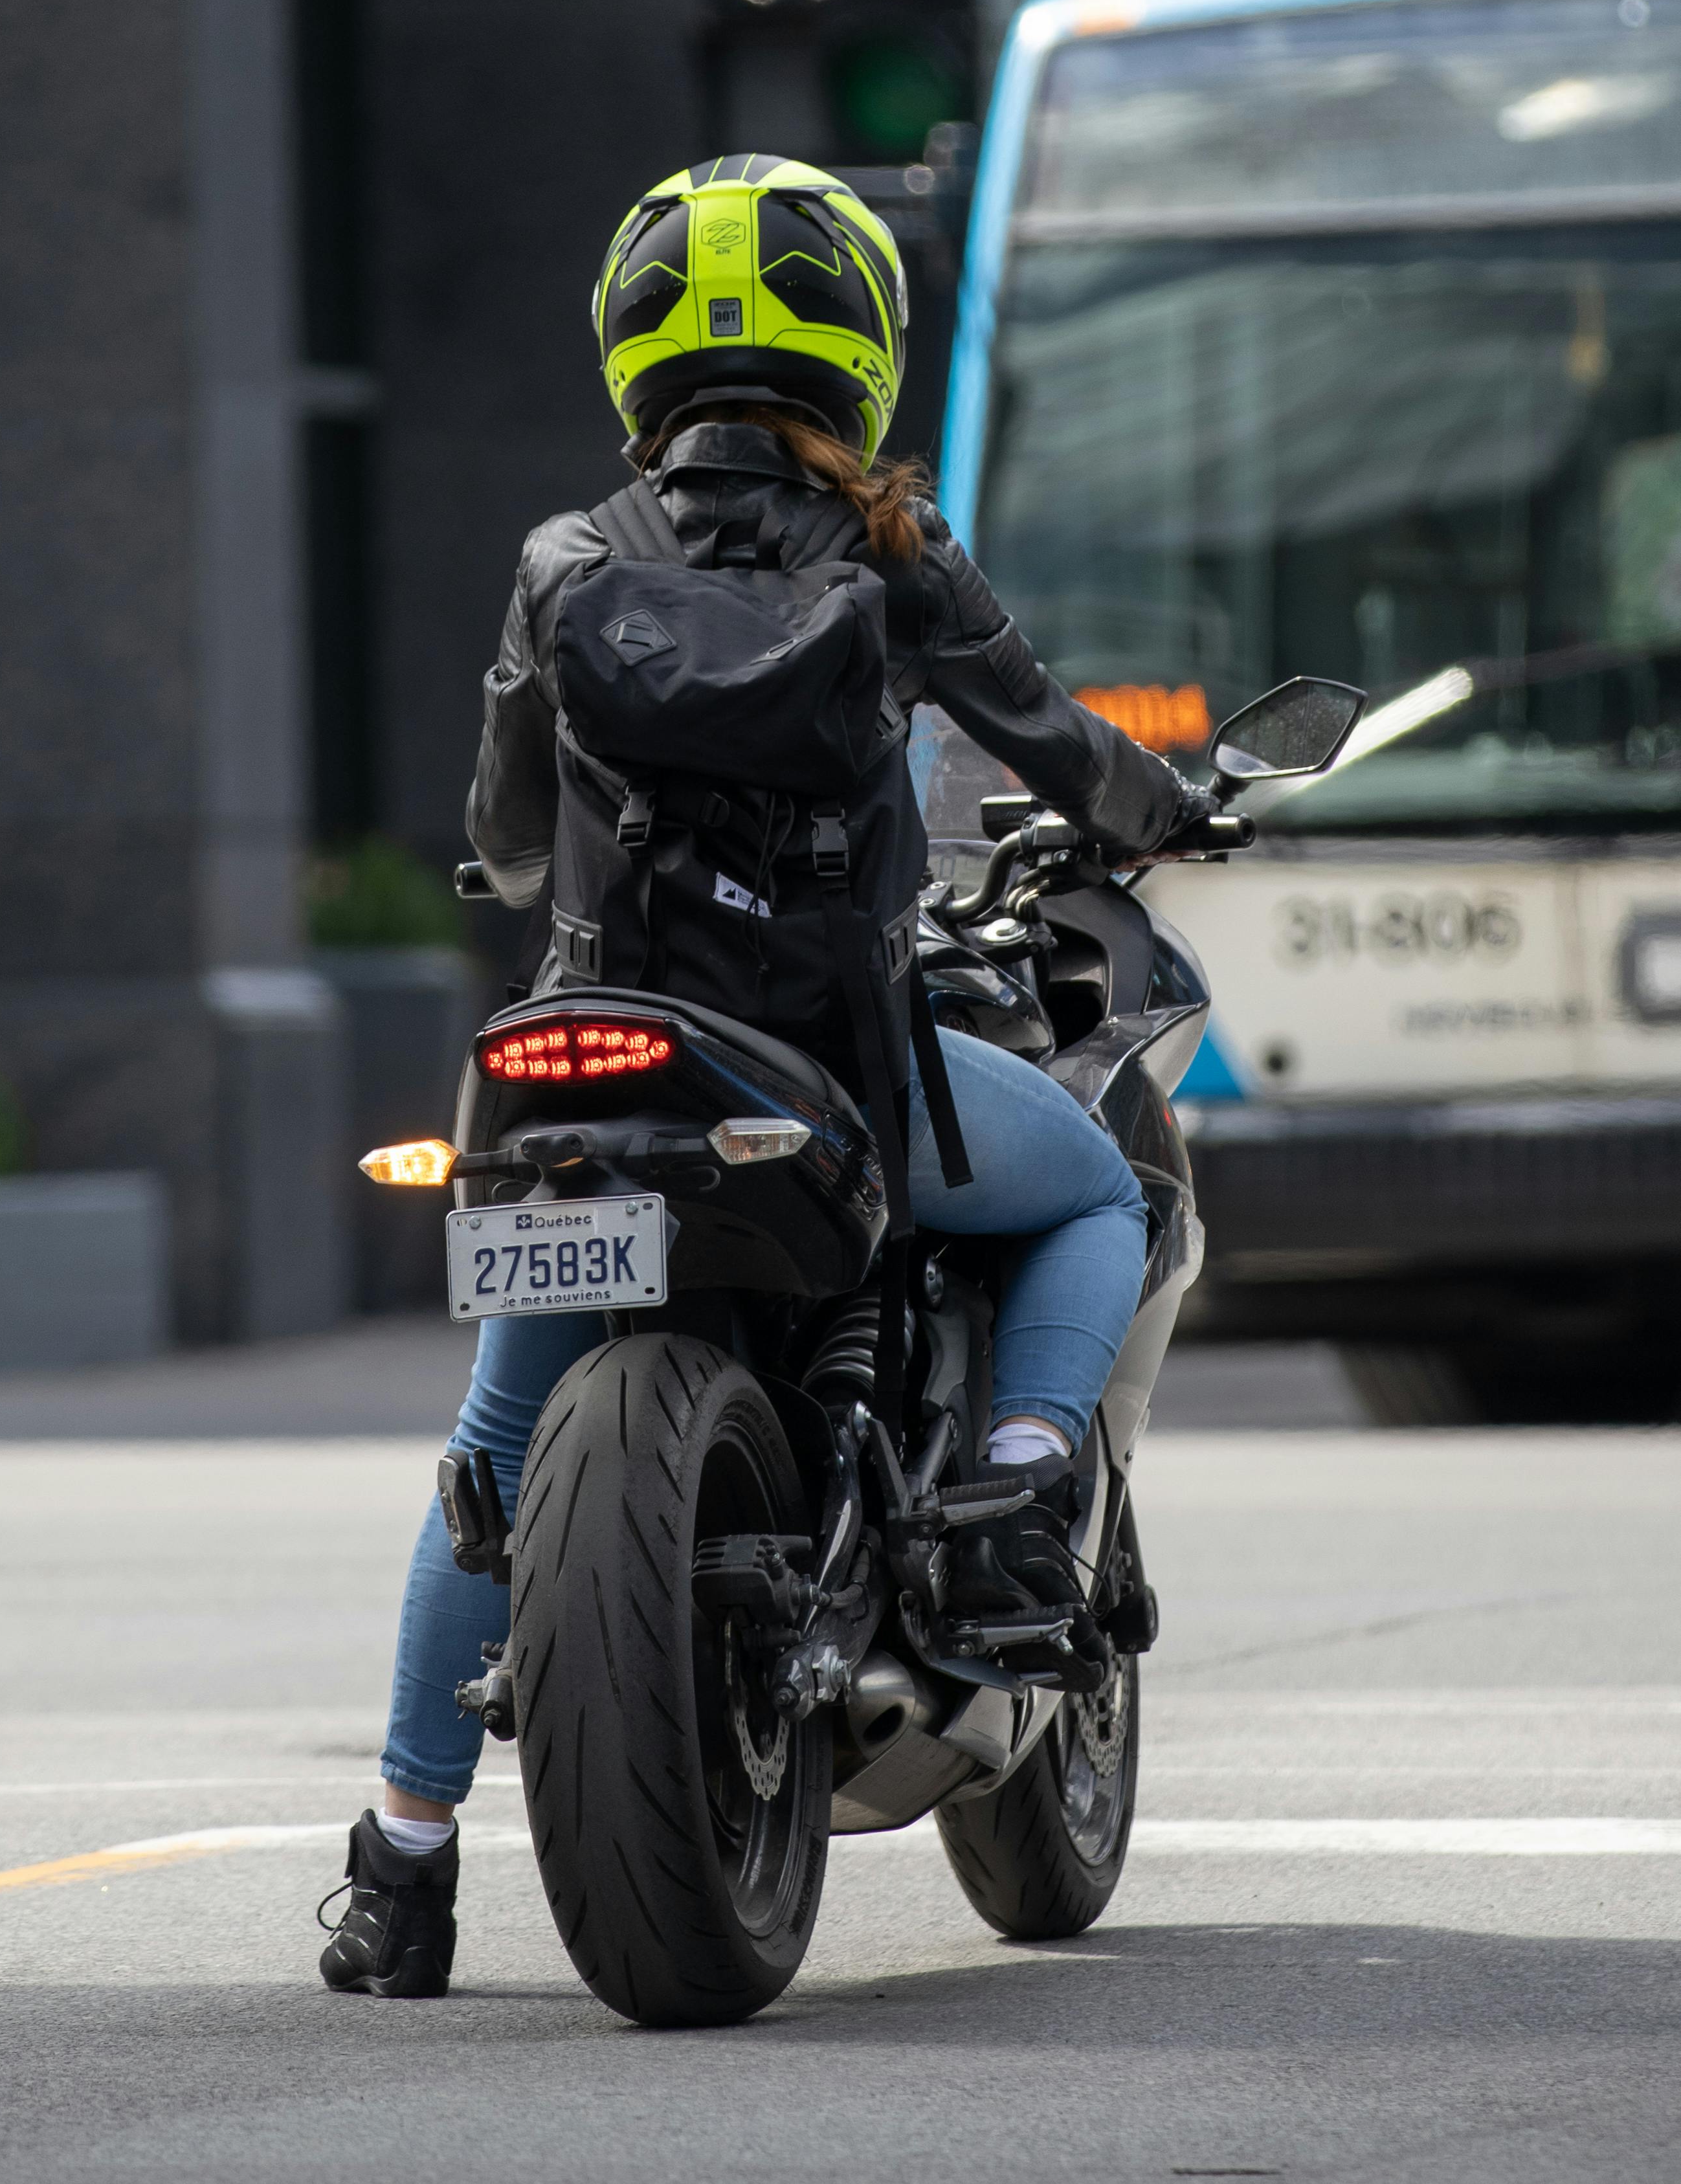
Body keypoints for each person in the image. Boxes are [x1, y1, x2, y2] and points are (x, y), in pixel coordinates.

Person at [318, 155, 1214, 1998]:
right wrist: (1170, 813)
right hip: (833, 1070)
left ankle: (400, 1876)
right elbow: (1052, 745)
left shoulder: (564, 560)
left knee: (491, 1461)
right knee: (1097, 1194)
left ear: (631, 348)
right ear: (860, 344)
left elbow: (499, 831)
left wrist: (537, 864)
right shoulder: (890, 556)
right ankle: (1026, 1474)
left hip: (585, 1071)